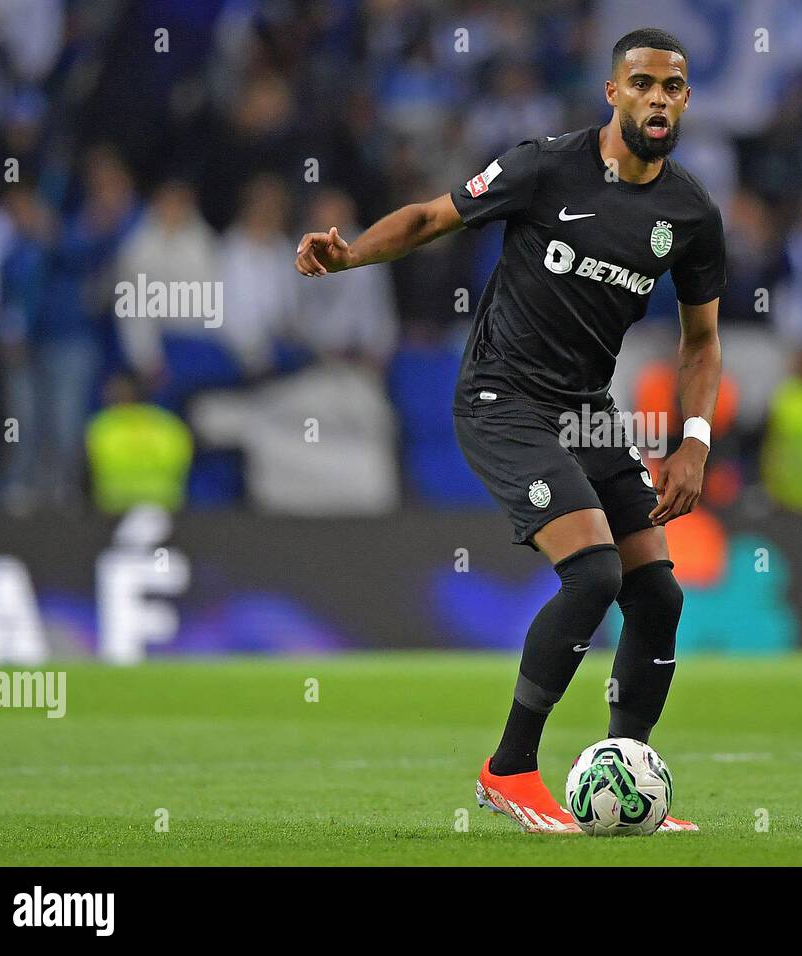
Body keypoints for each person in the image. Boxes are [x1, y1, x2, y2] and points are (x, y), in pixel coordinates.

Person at [294, 29, 725, 834]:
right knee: (594, 575)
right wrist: (350, 256)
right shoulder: (544, 166)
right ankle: (509, 769)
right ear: (612, 93)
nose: (657, 99)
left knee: (657, 594)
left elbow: (701, 342)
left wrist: (693, 440)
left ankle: (626, 774)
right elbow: (431, 216)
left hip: (587, 407)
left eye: (672, 86)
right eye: (642, 84)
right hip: (502, 397)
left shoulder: (691, 214)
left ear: (687, 99)